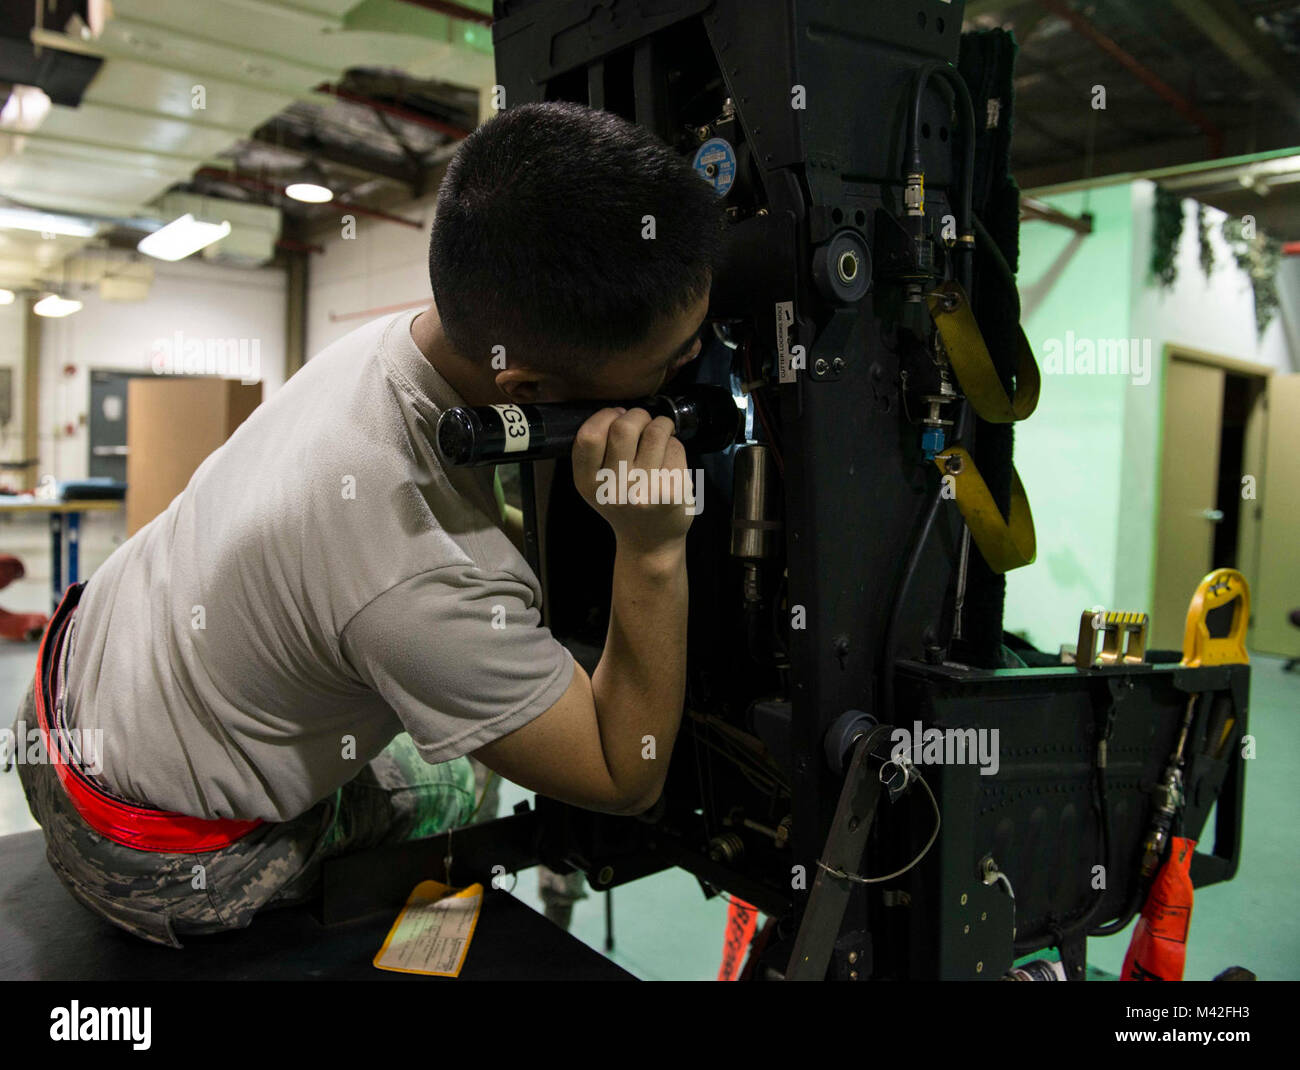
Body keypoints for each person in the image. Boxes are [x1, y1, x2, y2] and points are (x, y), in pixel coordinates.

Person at [7, 99, 725, 947]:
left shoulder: (398, 347)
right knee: (462, 781)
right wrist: (652, 549)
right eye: (670, 366)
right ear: (527, 390)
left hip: (51, 714)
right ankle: (447, 946)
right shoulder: (421, 570)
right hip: (148, 854)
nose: (692, 369)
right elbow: (622, 773)